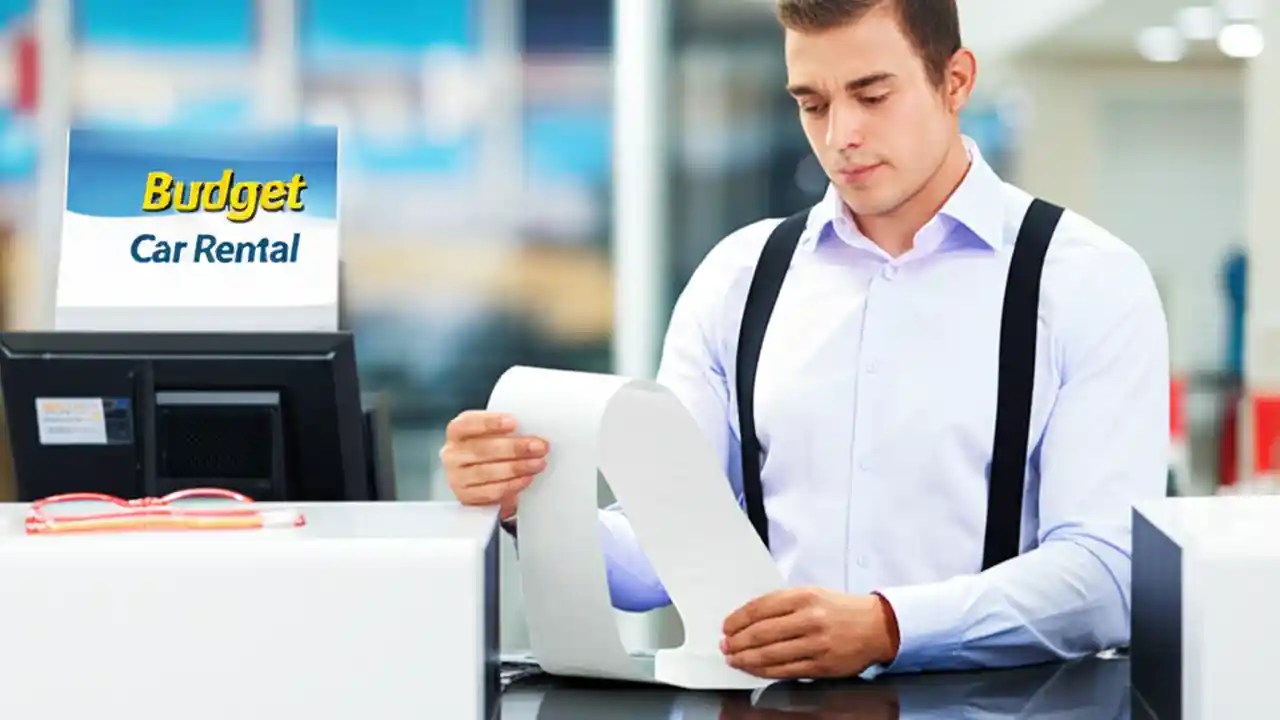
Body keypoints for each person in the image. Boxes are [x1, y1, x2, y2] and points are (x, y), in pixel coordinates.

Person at [440, 0, 1168, 681]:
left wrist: (890, 627)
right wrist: (527, 505)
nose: (840, 135)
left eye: (871, 96)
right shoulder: (738, 281)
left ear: (956, 81)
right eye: (812, 104)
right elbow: (661, 553)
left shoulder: (1085, 282)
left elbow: (1107, 576)